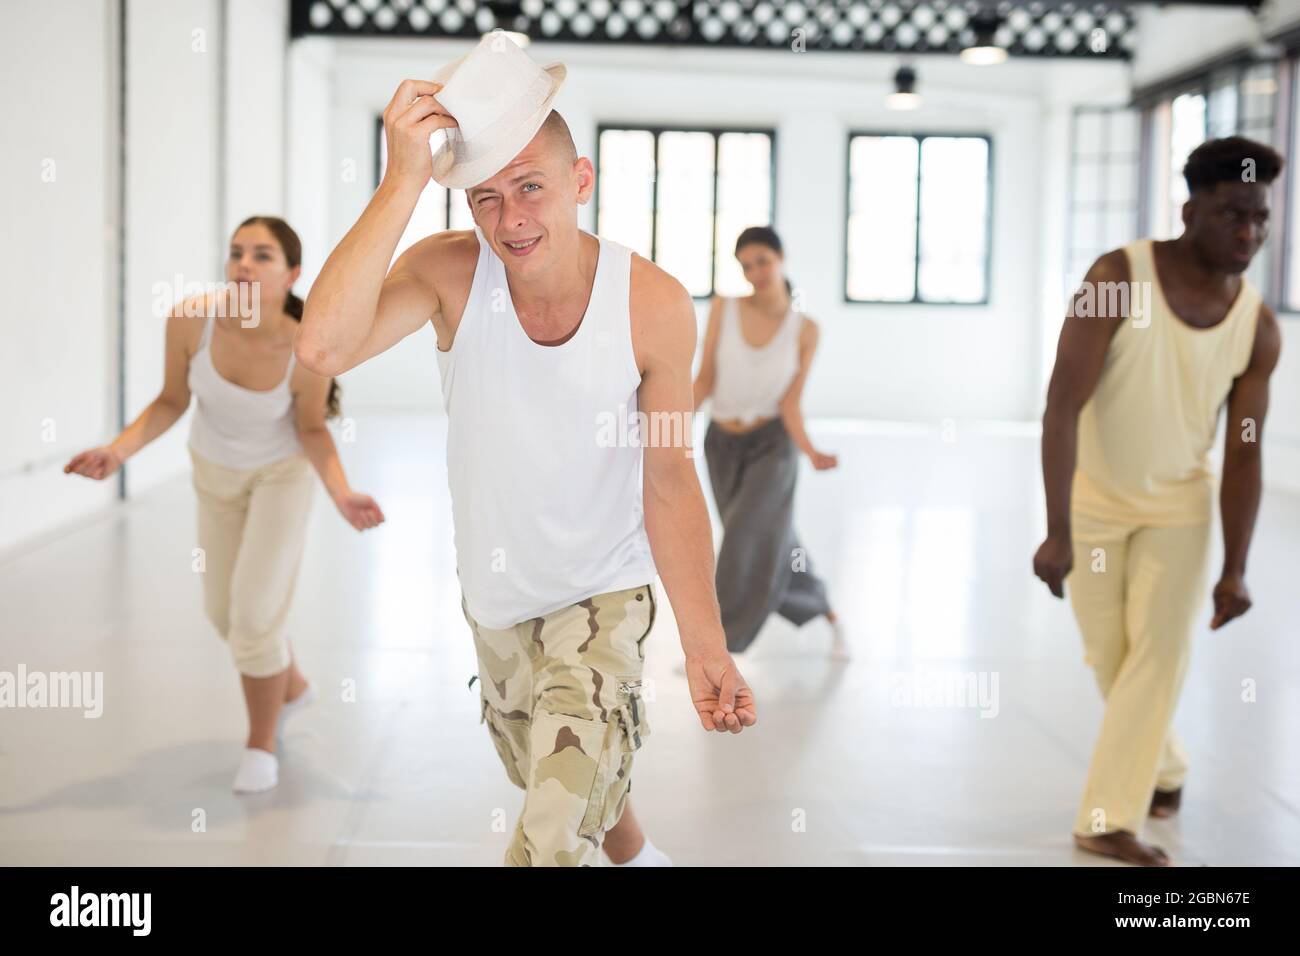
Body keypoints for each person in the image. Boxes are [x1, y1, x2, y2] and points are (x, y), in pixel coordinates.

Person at [295, 37, 757, 867]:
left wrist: (705, 644)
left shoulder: (650, 304)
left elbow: (670, 479)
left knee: (549, 830)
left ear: (580, 183)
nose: (511, 220)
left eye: (532, 188)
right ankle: (639, 854)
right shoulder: (448, 275)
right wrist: (403, 179)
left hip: (604, 594)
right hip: (497, 597)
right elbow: (323, 347)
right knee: (553, 770)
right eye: (486, 198)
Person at [65, 216, 385, 794]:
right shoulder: (193, 321)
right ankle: (289, 683)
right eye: (237, 252)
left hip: (280, 478)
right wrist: (118, 451)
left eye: (261, 256)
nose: (243, 263)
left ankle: (261, 741)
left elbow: (311, 429)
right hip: (214, 475)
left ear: (292, 274)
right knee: (225, 615)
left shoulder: (304, 344)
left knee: (255, 618)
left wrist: (341, 493)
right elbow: (169, 401)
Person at [1034, 137, 1283, 866]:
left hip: (1180, 511)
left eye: (1262, 218)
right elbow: (1061, 406)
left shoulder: (1258, 327)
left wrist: (1235, 567)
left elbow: (1243, 448)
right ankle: (1165, 766)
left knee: (1158, 659)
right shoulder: (1118, 276)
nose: (1250, 232)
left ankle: (1107, 818)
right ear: (1191, 210)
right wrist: (1056, 529)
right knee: (1110, 657)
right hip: (1095, 507)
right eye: (1234, 213)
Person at [692, 226, 844, 658]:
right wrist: (660, 429)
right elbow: (704, 379)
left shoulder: (806, 329)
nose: (755, 272)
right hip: (722, 444)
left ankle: (716, 650)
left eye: (762, 261)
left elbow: (791, 402)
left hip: (773, 447)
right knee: (775, 540)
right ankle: (830, 616)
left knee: (744, 538)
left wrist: (811, 452)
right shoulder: (726, 308)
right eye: (746, 266)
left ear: (781, 259)